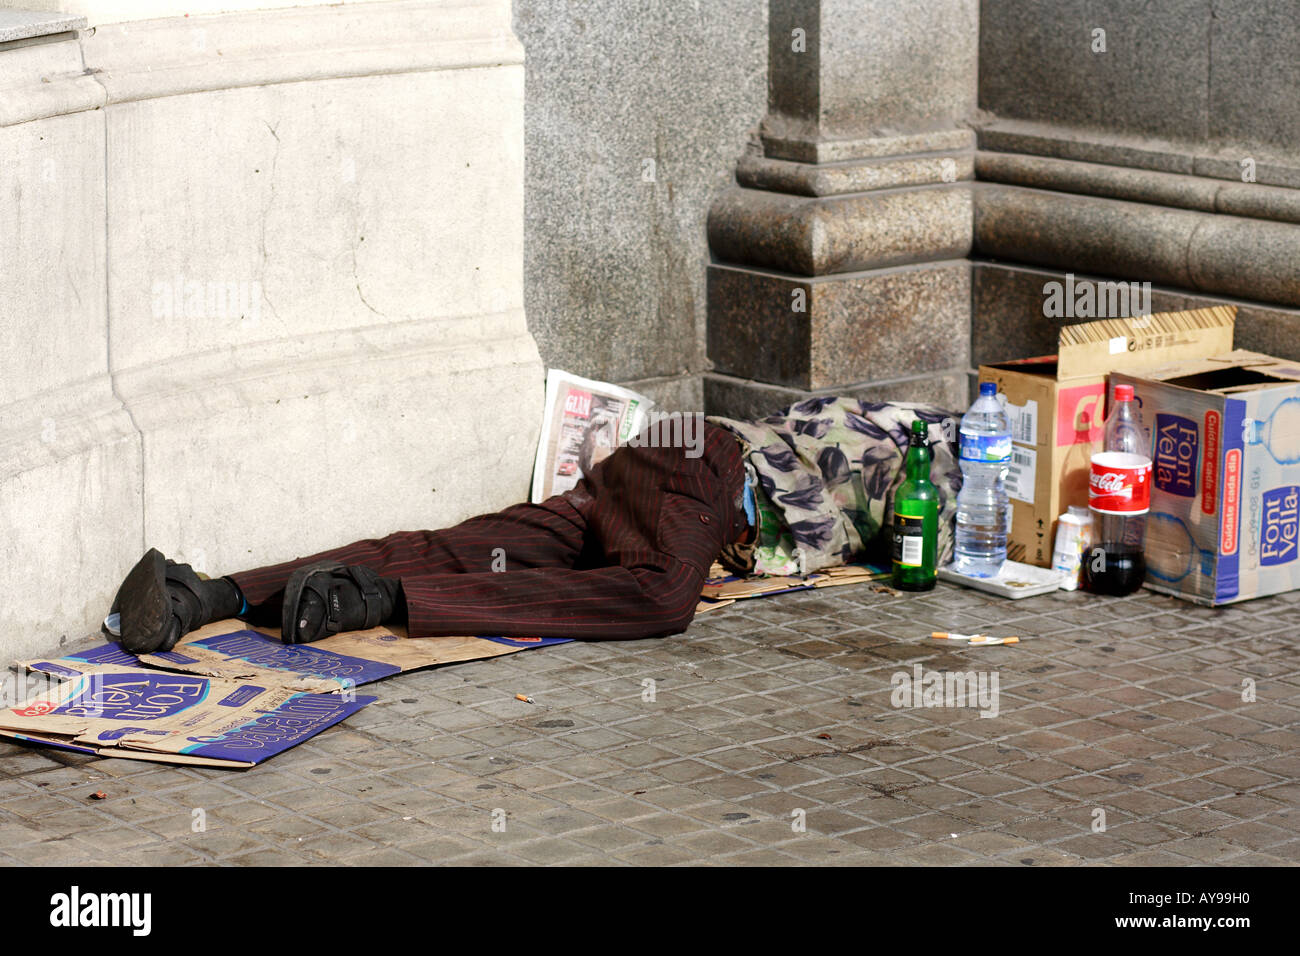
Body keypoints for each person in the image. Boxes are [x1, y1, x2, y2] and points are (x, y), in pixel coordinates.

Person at [110, 399, 960, 654]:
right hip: (704, 466)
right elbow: (925, 537)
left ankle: (206, 591)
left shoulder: (886, 421)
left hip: (666, 470)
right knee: (660, 598)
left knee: (456, 543)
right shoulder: (939, 447)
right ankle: (381, 597)